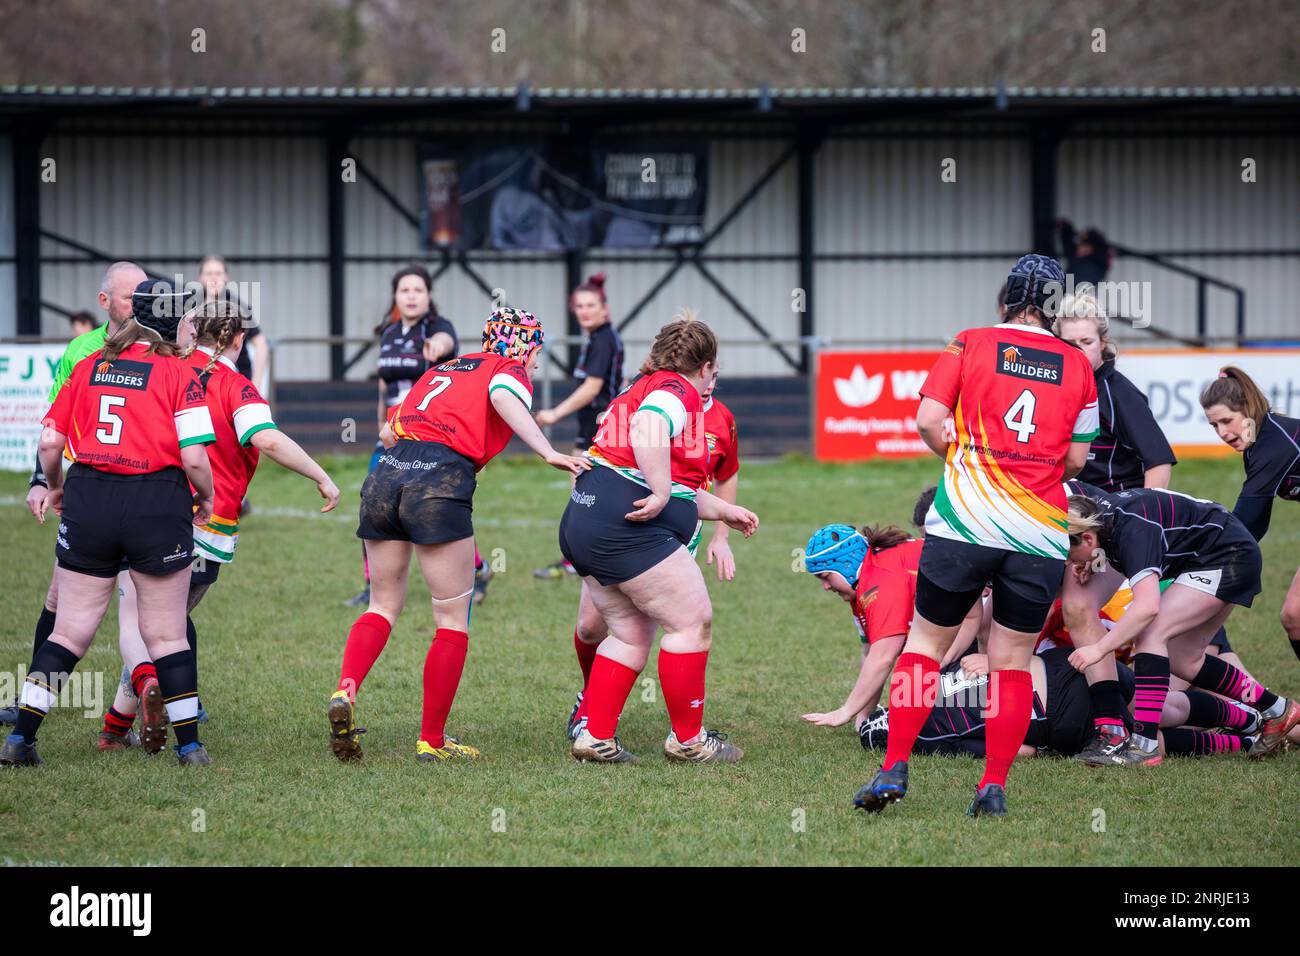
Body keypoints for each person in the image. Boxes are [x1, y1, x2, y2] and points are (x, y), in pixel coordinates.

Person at [854, 253, 1099, 818]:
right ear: (1057, 311)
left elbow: (926, 420)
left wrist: (963, 459)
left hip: (965, 524)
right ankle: (992, 787)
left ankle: (893, 767)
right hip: (1038, 533)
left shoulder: (969, 342)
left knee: (925, 645)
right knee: (1011, 661)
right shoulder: (1079, 367)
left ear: (1005, 299)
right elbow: (1077, 461)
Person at [328, 307, 588, 764]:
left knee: (382, 604)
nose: (537, 363)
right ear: (522, 345)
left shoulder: (443, 369)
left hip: (386, 476)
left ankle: (345, 690)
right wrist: (547, 451)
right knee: (451, 619)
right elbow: (506, 397)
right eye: (536, 351)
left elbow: (389, 431)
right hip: (439, 480)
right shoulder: (507, 369)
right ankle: (431, 740)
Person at [95, 300, 342, 749]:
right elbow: (265, 438)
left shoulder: (167, 369)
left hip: (151, 507)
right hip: (209, 522)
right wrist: (322, 476)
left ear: (195, 331)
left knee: (149, 623)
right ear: (239, 340)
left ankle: (117, 726)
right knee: (164, 627)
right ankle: (144, 720)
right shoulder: (235, 386)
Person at [1, 278, 218, 767]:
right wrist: (205, 497)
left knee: (68, 633)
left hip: (90, 498)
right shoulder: (180, 374)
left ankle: (20, 740)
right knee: (166, 635)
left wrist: (55, 485)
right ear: (176, 323)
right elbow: (195, 457)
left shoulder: (89, 365)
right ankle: (190, 748)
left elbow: (50, 444)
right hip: (157, 501)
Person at [560, 315, 760, 764]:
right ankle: (688, 741)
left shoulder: (638, 386)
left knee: (630, 633)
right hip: (622, 524)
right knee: (693, 622)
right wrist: (664, 491)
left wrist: (720, 510)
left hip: (583, 516)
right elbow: (648, 432)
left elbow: (642, 468)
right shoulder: (678, 390)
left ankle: (596, 736)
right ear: (706, 365)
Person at [3, 262, 149, 731]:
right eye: (131, 297)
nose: (139, 305)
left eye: (145, 296)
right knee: (58, 598)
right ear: (105, 302)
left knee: (162, 604)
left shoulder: (164, 349)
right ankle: (30, 700)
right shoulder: (81, 351)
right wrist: (40, 480)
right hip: (99, 495)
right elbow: (54, 426)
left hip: (125, 498)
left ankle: (167, 700)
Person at [1062, 490, 1300, 763]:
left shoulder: (1132, 531)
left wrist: (1098, 649)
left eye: (1069, 554)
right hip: (1220, 551)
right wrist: (1093, 560)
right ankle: (1276, 708)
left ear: (1088, 538)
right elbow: (1106, 540)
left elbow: (1147, 606)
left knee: (1151, 634)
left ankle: (1144, 746)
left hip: (1228, 556)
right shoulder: (1095, 513)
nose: (1070, 563)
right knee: (1183, 661)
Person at [800, 491, 981, 734]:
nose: (825, 586)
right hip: (960, 620)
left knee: (914, 691)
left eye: (825, 576)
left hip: (979, 618)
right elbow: (871, 655)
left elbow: (884, 656)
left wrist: (845, 710)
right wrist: (863, 718)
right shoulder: (863, 584)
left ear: (846, 563)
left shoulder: (878, 580)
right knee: (910, 679)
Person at [346, 264, 465, 607]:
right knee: (373, 503)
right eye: (405, 290)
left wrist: (437, 347)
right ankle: (372, 584)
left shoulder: (439, 329)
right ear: (396, 296)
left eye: (418, 290)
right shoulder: (388, 333)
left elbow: (445, 343)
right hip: (390, 435)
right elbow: (384, 387)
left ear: (429, 295)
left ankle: (477, 566)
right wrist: (378, 426)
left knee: (431, 509)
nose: (411, 296)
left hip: (428, 434)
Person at [1200, 366, 1300, 665]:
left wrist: (1194, 546)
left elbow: (1243, 523)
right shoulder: (1258, 443)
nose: (1222, 433)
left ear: (1248, 408)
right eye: (1214, 425)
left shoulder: (1274, 445)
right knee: (1294, 616)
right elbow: (1253, 526)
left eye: (1226, 421)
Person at [534, 272, 625, 579]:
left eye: (591, 305)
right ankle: (580, 557)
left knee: (584, 496)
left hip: (597, 430)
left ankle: (580, 560)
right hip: (590, 426)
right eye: (580, 306)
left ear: (605, 309)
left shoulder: (602, 340)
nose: (585, 310)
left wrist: (553, 414)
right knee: (585, 494)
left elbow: (592, 388)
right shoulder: (597, 339)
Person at [1055, 293, 1175, 493]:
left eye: (1087, 341)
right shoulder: (1052, 388)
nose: (1079, 351)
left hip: (1113, 510)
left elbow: (1159, 463)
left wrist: (1144, 513)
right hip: (1068, 505)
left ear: (1103, 342)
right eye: (1070, 343)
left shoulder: (1120, 393)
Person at [198, 254, 269, 391]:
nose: (214, 278)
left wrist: (256, 383)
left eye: (218, 273)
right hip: (202, 380)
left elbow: (261, 344)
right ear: (200, 278)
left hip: (237, 380)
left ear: (226, 277)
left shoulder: (239, 307)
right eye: (209, 273)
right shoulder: (192, 306)